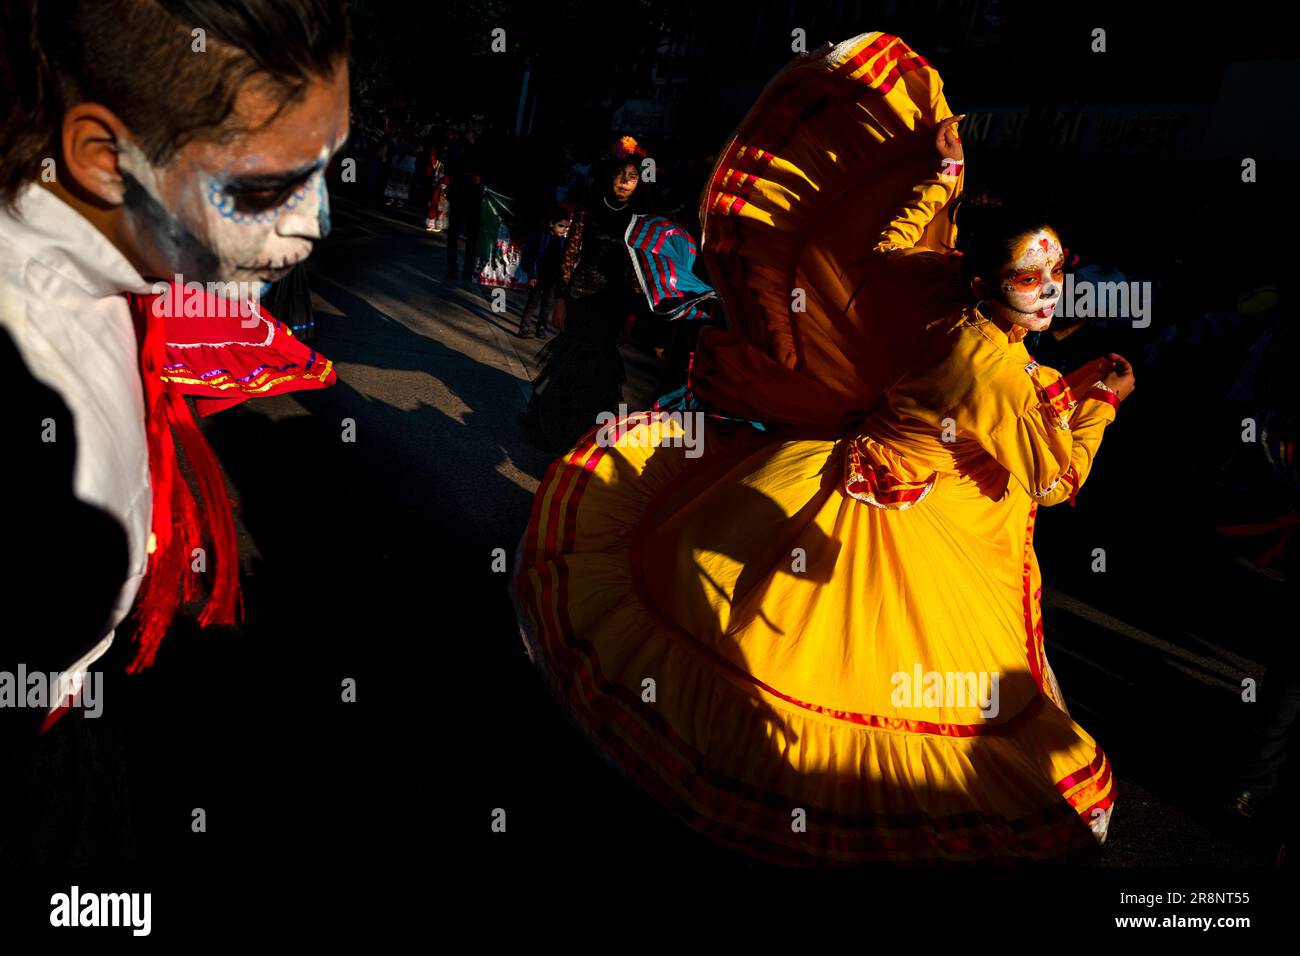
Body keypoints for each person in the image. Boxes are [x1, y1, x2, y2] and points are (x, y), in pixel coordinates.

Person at [512, 33, 1133, 864]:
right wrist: (1099, 402)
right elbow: (1055, 479)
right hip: (909, 526)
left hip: (833, 469)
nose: (1049, 291)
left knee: (748, 616)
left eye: (1054, 274)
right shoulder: (989, 366)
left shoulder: (934, 288)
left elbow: (882, 250)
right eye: (1031, 277)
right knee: (864, 679)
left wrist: (935, 183)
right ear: (988, 280)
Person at [0, 0, 350, 733]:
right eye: (264, 188)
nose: (316, 224)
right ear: (103, 158)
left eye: (325, 168)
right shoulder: (32, 377)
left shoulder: (121, 260)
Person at [518, 141, 648, 454]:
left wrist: (632, 315)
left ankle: (585, 435)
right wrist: (561, 298)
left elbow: (638, 270)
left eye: (631, 177)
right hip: (581, 297)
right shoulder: (589, 209)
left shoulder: (641, 218)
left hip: (613, 305)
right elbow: (571, 254)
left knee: (599, 374)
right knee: (570, 364)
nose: (624, 182)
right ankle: (553, 427)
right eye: (619, 175)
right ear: (609, 175)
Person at [517, 206, 570, 338]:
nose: (564, 229)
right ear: (552, 223)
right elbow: (535, 257)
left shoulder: (564, 241)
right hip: (539, 275)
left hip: (553, 278)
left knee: (547, 304)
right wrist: (533, 275)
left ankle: (541, 328)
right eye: (561, 226)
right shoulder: (542, 237)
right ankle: (524, 328)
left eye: (566, 227)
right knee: (533, 302)